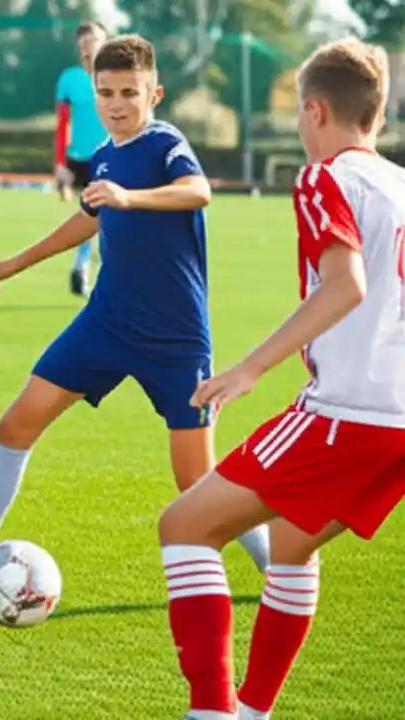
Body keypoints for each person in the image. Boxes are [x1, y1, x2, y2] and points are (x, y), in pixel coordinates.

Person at [0, 35, 270, 606]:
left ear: (155, 92)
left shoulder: (163, 141)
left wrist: (130, 197)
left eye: (129, 92)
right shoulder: (102, 156)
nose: (116, 103)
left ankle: (280, 566)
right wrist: (16, 262)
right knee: (15, 424)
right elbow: (86, 221)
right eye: (106, 93)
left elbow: (198, 191)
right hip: (105, 325)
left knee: (196, 483)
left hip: (175, 340)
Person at [157, 38, 403, 720]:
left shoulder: (328, 177)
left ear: (318, 111)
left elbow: (345, 284)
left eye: (300, 113)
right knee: (291, 546)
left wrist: (249, 368)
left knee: (184, 525)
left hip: (348, 410)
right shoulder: (400, 184)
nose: (299, 127)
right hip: (398, 423)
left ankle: (211, 713)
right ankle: (254, 711)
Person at [54, 21, 110, 296]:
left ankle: (86, 265)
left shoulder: (118, 78)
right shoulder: (69, 79)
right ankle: (85, 265)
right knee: (95, 215)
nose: (88, 49)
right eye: (83, 45)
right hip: (82, 159)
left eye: (94, 41)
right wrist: (59, 163)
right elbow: (62, 123)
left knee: (107, 217)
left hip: (114, 155)